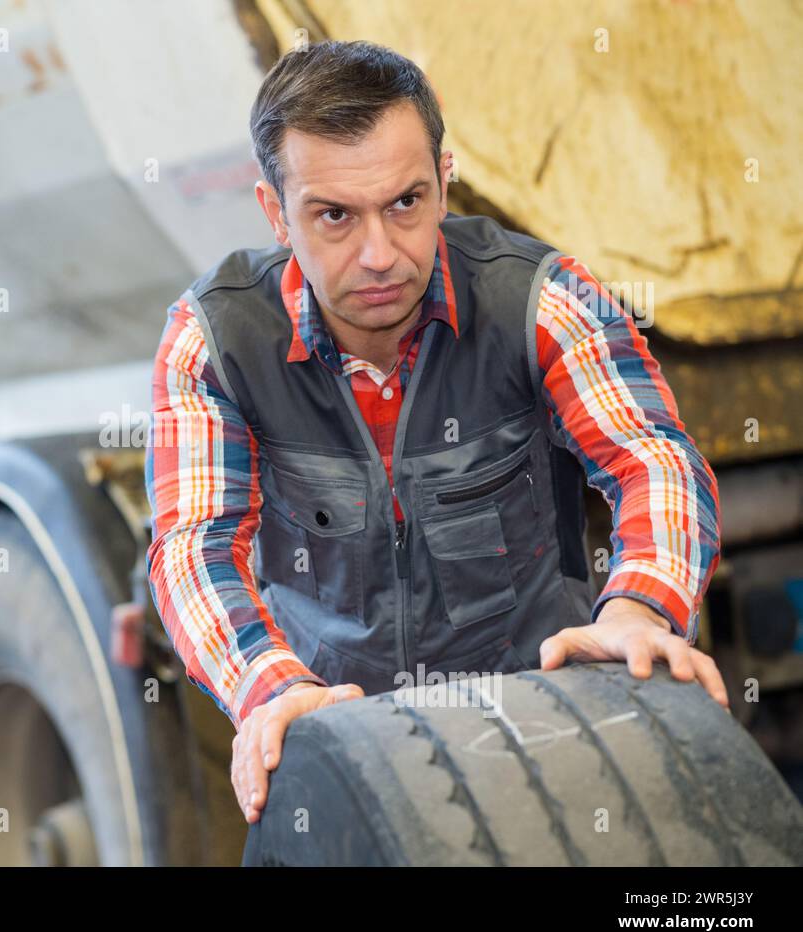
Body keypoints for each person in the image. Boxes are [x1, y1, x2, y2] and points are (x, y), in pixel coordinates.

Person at [143, 40, 727, 834]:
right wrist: (272, 689)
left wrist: (640, 611)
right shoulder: (216, 340)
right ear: (276, 213)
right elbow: (193, 547)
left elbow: (652, 456)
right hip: (339, 741)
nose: (381, 254)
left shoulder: (538, 299)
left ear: (444, 181)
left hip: (543, 729)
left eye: (406, 203)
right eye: (336, 216)